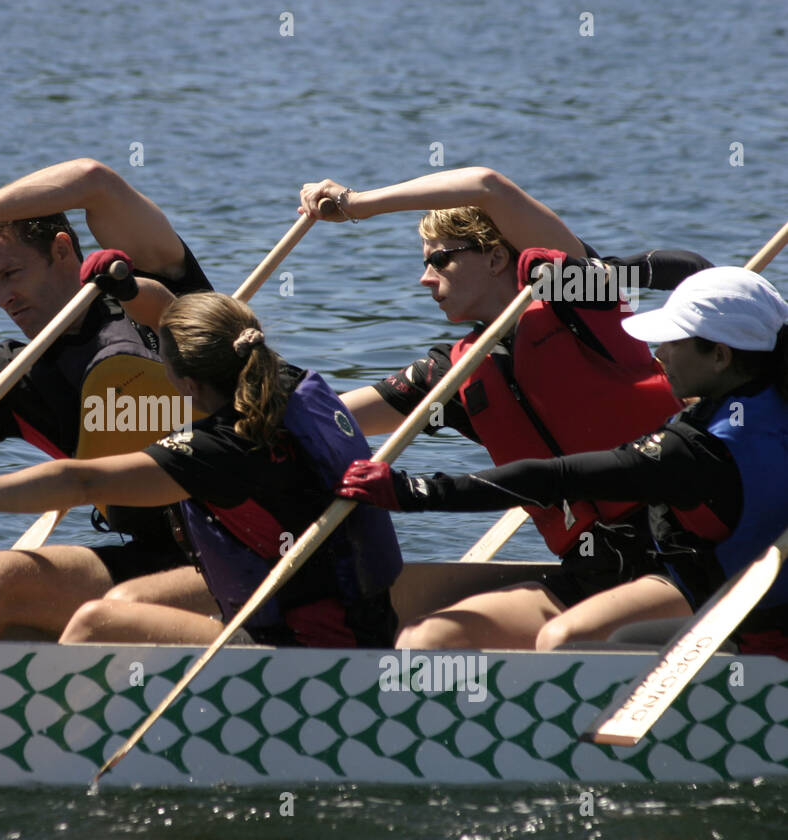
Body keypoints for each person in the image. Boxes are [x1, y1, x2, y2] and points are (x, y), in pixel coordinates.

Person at [298, 168, 712, 639]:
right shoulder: (454, 371)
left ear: (496, 257)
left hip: (684, 551)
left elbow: (486, 186)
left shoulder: (577, 300)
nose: (424, 279)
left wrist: (356, 204)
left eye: (440, 260)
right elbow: (321, 419)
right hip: (593, 571)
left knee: (564, 639)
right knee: (427, 640)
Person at [0, 290, 403, 647]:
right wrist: (123, 286)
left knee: (98, 623)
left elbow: (82, 480)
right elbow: (180, 313)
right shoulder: (285, 383)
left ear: (181, 381)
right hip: (338, 609)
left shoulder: (219, 451)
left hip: (306, 647)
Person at [337, 267, 788, 658]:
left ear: (721, 356)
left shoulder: (693, 449)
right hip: (678, 580)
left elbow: (555, 477)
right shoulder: (764, 403)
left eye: (673, 340)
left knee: (564, 639)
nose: (659, 352)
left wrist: (412, 492)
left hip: (742, 616)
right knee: (427, 638)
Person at [0, 159, 219, 639]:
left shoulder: (150, 281)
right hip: (158, 563)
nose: (2, 296)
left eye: (11, 272)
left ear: (62, 250)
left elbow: (93, 180)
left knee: (108, 615)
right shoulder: (18, 376)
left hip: (255, 552)